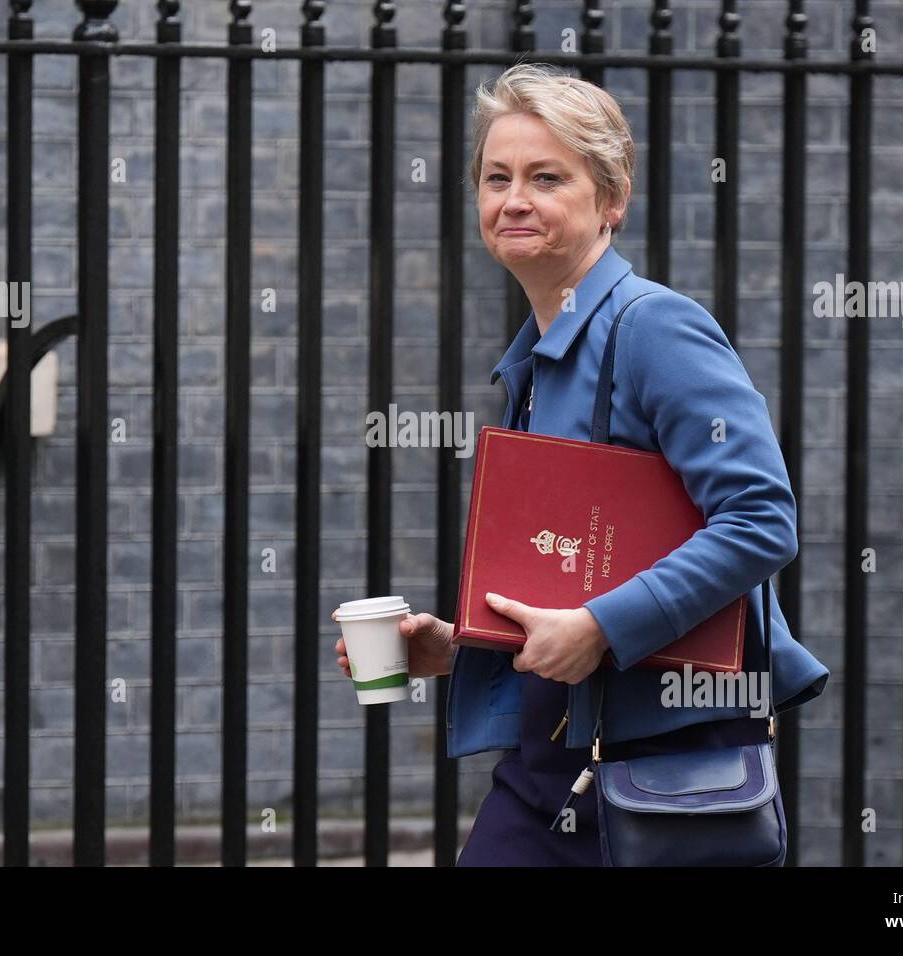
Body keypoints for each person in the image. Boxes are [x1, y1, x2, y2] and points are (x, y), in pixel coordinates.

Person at [333, 63, 829, 866]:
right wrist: (454, 647)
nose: (513, 199)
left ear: (611, 199)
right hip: (549, 771)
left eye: (545, 176)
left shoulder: (654, 329)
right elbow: (578, 569)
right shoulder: (539, 362)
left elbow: (762, 521)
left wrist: (602, 628)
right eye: (497, 177)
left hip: (659, 777)